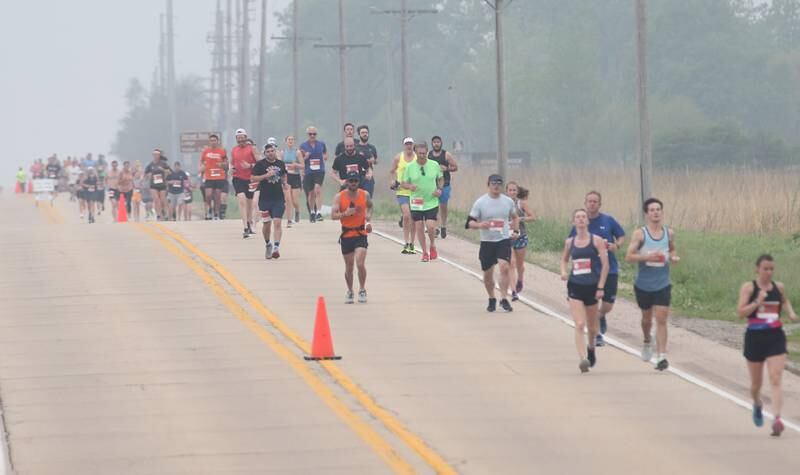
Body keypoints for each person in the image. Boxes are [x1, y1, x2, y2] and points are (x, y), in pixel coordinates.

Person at [736, 254, 797, 436]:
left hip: (775, 336)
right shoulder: (749, 287)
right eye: (765, 269)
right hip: (755, 337)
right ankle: (757, 403)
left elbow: (784, 300)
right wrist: (757, 302)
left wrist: (791, 313)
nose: (769, 272)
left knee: (776, 377)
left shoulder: (779, 287)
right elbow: (740, 312)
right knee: (756, 384)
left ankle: (777, 419)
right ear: (757, 269)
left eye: (771, 269)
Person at [625, 198, 680, 371]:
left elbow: (672, 249)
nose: (655, 212)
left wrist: (673, 257)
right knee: (647, 319)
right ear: (646, 214)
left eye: (658, 209)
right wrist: (647, 257)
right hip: (644, 284)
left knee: (662, 318)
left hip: (663, 283)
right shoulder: (640, 234)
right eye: (652, 210)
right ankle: (647, 340)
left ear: (662, 212)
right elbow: (629, 256)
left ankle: (661, 356)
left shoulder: (669, 233)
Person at [568, 191, 625, 347]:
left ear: (599, 204)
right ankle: (597, 334)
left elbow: (621, 236)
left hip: (609, 268)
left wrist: (616, 245)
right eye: (589, 201)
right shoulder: (581, 222)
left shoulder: (608, 220)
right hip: (589, 272)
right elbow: (571, 243)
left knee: (608, 304)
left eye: (595, 201)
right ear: (585, 203)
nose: (592, 204)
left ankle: (600, 315)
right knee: (592, 302)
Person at [560, 209, 610, 373]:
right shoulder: (570, 242)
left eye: (583, 217)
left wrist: (601, 286)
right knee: (580, 324)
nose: (581, 219)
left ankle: (591, 348)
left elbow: (605, 265)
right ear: (573, 222)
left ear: (588, 221)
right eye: (577, 217)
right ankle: (583, 359)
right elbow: (564, 259)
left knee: (593, 327)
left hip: (592, 287)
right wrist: (563, 271)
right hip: (575, 286)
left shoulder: (597, 241)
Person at [466, 174, 519, 312]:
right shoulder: (480, 202)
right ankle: (492, 298)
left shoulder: (508, 201)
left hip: (503, 240)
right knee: (488, 274)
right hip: (487, 242)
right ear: (488, 185)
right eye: (493, 183)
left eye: (499, 183)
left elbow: (515, 217)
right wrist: (480, 225)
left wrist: (516, 231)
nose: (496, 186)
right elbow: (469, 223)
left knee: (504, 267)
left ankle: (504, 298)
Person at [332, 171, 373, 304]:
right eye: (351, 181)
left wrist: (368, 219)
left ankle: (362, 289)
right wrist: (345, 213)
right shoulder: (339, 197)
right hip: (347, 235)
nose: (353, 183)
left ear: (358, 182)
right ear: (347, 182)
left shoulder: (365, 194)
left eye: (355, 181)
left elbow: (370, 206)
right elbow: (333, 215)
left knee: (360, 263)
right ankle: (350, 291)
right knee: (349, 266)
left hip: (361, 234)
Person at [401, 141, 443, 262]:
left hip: (431, 200)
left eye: (424, 153)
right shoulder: (410, 167)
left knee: (430, 227)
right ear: (415, 153)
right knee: (419, 226)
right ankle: (424, 252)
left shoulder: (434, 165)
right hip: (417, 201)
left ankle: (432, 245)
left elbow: (441, 179)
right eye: (419, 153)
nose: (422, 155)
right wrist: (410, 186)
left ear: (427, 152)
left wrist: (439, 189)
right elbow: (403, 183)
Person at [251, 144, 288, 260]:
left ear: (275, 152)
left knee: (277, 222)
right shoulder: (260, 164)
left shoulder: (280, 163)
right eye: (268, 151)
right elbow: (253, 178)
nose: (271, 153)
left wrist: (284, 183)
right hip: (265, 199)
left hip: (278, 198)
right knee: (266, 224)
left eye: (272, 151)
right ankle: (268, 244)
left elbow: (284, 174)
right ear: (265, 153)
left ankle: (276, 247)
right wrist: (266, 175)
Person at [506, 182, 536, 301]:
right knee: (511, 263)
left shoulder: (521, 203)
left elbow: (533, 217)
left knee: (519, 264)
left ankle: (520, 280)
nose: (512, 192)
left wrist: (520, 219)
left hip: (521, 236)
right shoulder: (502, 203)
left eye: (514, 190)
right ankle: (513, 291)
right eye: (510, 190)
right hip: (507, 236)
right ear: (506, 191)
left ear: (517, 192)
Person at [389, 137, 417, 254]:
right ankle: (406, 242)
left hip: (415, 191)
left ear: (413, 145)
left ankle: (412, 243)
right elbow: (392, 171)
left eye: (410, 144)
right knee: (406, 216)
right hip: (402, 190)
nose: (409, 146)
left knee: (414, 218)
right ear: (404, 145)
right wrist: (392, 181)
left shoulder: (418, 157)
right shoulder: (398, 157)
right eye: (407, 144)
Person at [428, 136, 458, 238]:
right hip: (432, 184)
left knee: (443, 206)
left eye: (438, 142)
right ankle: (436, 228)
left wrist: (447, 168)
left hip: (445, 184)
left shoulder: (446, 155)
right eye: (434, 142)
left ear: (441, 143)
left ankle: (443, 225)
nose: (436, 144)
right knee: (434, 206)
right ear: (432, 144)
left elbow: (455, 167)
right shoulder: (429, 155)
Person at [231, 129, 259, 237]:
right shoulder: (234, 150)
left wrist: (250, 165)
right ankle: (245, 227)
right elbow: (231, 163)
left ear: (246, 138)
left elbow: (260, 163)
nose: (240, 140)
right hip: (238, 178)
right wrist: (231, 169)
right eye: (238, 138)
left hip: (251, 179)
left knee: (249, 203)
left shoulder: (252, 148)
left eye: (242, 138)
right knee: (241, 199)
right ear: (236, 139)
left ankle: (249, 221)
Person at [299, 126, 327, 222]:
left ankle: (318, 212)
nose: (312, 136)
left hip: (319, 170)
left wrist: (325, 157)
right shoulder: (303, 146)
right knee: (311, 193)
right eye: (310, 134)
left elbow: (325, 154)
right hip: (308, 171)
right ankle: (312, 212)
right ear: (307, 135)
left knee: (317, 190)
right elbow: (299, 159)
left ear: (316, 134)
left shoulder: (321, 144)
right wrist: (305, 157)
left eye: (314, 134)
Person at [200, 133, 229, 220]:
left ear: (217, 141)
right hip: (209, 176)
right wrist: (201, 171)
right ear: (209, 142)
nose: (213, 142)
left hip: (219, 176)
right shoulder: (205, 151)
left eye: (214, 140)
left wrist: (222, 164)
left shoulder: (222, 151)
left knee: (217, 196)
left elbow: (226, 164)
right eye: (211, 140)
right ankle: (210, 208)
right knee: (208, 195)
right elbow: (201, 163)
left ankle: (216, 213)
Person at [281, 135, 303, 225]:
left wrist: (296, 165)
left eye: (292, 139)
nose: (290, 141)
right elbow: (280, 164)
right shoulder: (283, 152)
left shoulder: (297, 152)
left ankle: (297, 210)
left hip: (295, 177)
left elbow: (303, 165)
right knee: (287, 199)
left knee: (295, 201)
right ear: (286, 141)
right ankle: (289, 219)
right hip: (286, 177)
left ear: (294, 141)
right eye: (289, 139)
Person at [145, 149, 170, 220]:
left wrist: (163, 170)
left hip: (162, 184)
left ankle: (165, 212)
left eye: (157, 154)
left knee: (162, 200)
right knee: (156, 200)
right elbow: (146, 174)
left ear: (159, 155)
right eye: (154, 154)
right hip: (153, 185)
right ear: (152, 155)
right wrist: (148, 176)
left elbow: (169, 172)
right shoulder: (150, 165)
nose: (155, 156)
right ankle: (159, 215)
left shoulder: (163, 163)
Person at [356, 125, 378, 198]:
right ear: (359, 134)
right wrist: (365, 161)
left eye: (366, 132)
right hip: (357, 177)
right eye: (362, 133)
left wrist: (373, 161)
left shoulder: (372, 148)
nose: (365, 134)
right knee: (357, 199)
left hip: (369, 177)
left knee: (368, 199)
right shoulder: (355, 148)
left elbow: (375, 161)